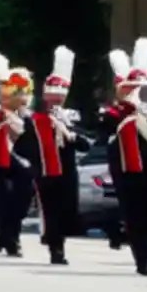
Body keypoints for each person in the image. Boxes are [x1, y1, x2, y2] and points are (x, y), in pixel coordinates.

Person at [101, 41, 147, 276]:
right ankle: (143, 259)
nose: (133, 91)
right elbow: (109, 129)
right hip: (127, 169)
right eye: (127, 88)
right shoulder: (112, 113)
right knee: (135, 214)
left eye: (135, 87)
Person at [26, 46, 89, 266]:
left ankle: (59, 242)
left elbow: (84, 146)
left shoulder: (71, 117)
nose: (56, 102)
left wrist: (70, 133)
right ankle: (56, 249)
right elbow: (25, 146)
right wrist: (34, 163)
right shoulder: (35, 121)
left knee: (65, 212)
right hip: (45, 172)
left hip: (67, 172)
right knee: (50, 212)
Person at [0, 53, 35, 258]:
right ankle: (9, 239)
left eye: (23, 93)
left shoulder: (27, 117)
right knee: (4, 202)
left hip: (22, 164)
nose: (20, 97)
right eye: (16, 92)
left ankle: (8, 235)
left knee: (20, 203)